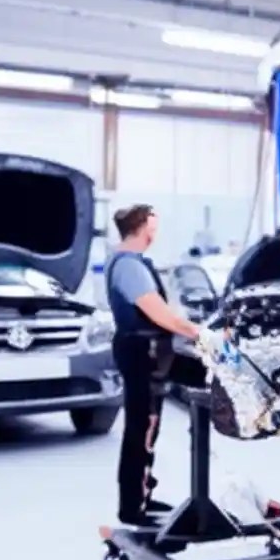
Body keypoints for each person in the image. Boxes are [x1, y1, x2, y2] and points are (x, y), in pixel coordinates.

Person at [105, 204, 200, 526]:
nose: (156, 233)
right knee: (141, 428)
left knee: (147, 426)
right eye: (154, 226)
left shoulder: (127, 261)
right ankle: (132, 507)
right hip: (140, 352)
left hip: (146, 351)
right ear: (145, 227)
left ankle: (142, 496)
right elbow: (160, 314)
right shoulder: (129, 267)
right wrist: (199, 332)